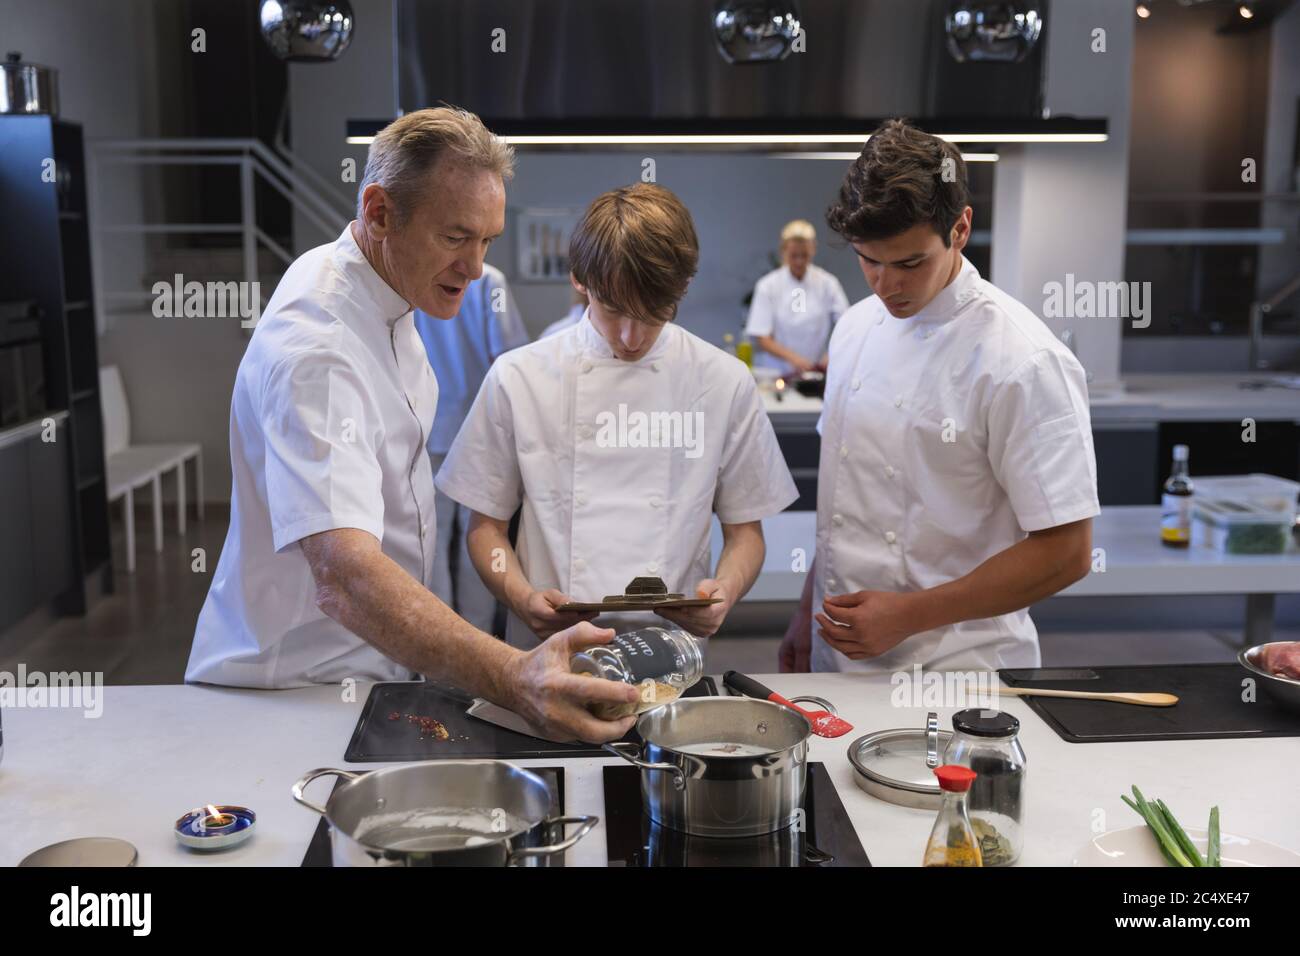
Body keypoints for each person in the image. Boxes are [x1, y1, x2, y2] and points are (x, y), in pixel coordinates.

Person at [187, 107, 641, 743]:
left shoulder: (387, 293)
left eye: (487, 240)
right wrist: (514, 676)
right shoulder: (317, 348)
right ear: (379, 212)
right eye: (455, 237)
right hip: (293, 689)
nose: (476, 267)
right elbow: (344, 576)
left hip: (365, 671)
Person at [781, 119, 1098, 674]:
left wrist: (910, 615)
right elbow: (842, 503)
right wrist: (806, 614)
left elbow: (1067, 552)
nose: (885, 285)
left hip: (959, 671)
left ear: (960, 229)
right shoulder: (854, 328)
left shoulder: (1021, 359)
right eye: (868, 260)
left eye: (909, 263)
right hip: (840, 661)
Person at [436, 183, 798, 649]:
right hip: (548, 652)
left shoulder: (723, 381)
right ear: (579, 280)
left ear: (682, 289)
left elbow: (746, 534)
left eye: (654, 313)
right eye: (612, 310)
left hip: (671, 655)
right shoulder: (518, 377)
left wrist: (725, 590)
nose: (631, 337)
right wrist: (518, 593)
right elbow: (485, 530)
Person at [414, 264, 528, 633]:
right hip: (480, 431)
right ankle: (475, 637)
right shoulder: (490, 281)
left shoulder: (416, 276)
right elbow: (510, 359)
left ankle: (440, 637)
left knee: (428, 537)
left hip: (428, 427)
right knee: (480, 537)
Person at [744, 219, 850, 375]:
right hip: (778, 372)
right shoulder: (768, 285)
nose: (799, 261)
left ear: (813, 249)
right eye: (794, 256)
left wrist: (832, 354)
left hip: (816, 371)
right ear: (783, 251)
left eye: (804, 255)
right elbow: (761, 336)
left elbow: (847, 324)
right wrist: (794, 359)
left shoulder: (828, 283)